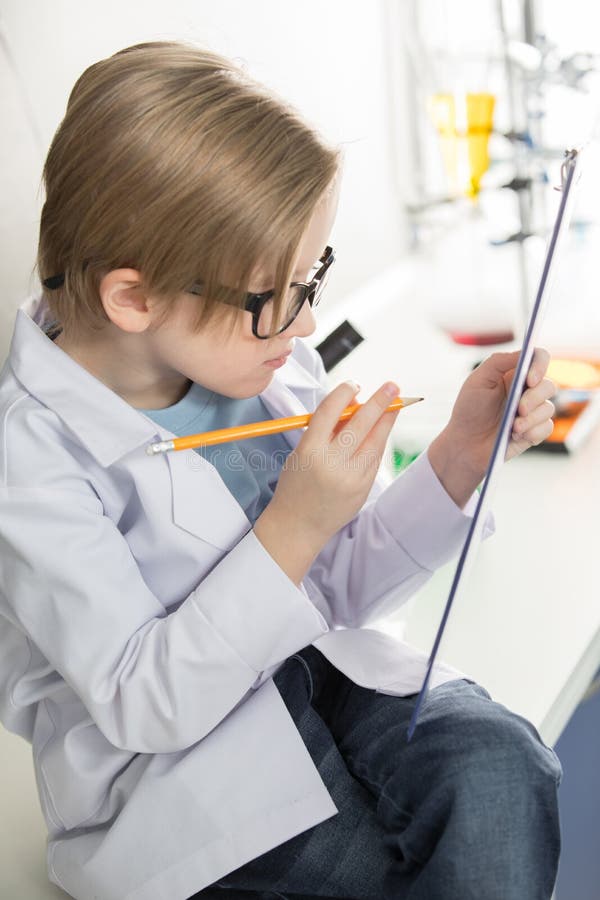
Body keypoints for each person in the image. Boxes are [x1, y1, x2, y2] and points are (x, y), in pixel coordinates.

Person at [0, 41, 561, 900]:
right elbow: (143, 703)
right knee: (363, 874)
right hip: (179, 772)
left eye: (312, 279)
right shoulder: (31, 459)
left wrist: (457, 457)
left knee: (502, 771)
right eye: (278, 296)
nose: (305, 326)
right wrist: (295, 521)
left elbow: (333, 588)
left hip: (323, 677)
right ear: (134, 298)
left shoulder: (255, 362)